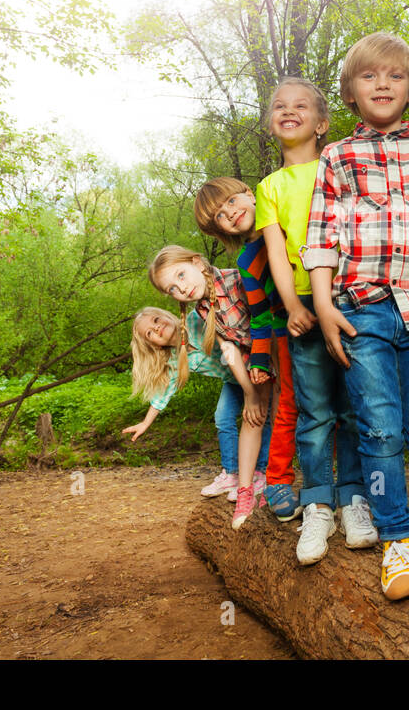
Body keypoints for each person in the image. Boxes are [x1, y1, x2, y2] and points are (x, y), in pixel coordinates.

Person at [302, 32, 409, 601]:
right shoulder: (337, 157)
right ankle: (397, 540)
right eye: (369, 76)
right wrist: (323, 306)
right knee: (378, 429)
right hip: (362, 314)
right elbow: (321, 238)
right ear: (351, 94)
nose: (383, 84)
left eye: (395, 76)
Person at [257, 77, 377, 564]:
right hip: (305, 306)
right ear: (272, 123)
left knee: (354, 410)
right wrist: (294, 308)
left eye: (301, 105)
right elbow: (277, 255)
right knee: (314, 413)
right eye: (280, 107)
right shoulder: (269, 187)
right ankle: (318, 504)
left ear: (321, 123)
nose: (289, 111)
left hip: (352, 298)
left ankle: (353, 500)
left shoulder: (340, 165)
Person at [193, 176, 301, 522]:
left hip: (325, 315)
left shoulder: (289, 222)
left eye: (230, 202)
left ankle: (343, 492)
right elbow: (259, 316)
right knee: (283, 409)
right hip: (283, 334)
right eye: (220, 216)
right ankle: (259, 486)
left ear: (249, 193)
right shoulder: (246, 262)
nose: (230, 213)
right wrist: (258, 359)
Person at [150, 245, 271, 529]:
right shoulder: (204, 310)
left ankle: (277, 484)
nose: (181, 288)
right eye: (172, 289)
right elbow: (229, 351)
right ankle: (245, 492)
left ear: (196, 262)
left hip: (276, 351)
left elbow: (267, 322)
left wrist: (263, 370)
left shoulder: (237, 279)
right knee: (252, 417)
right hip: (250, 364)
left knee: (286, 418)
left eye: (181, 275)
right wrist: (251, 394)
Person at [122, 306, 269, 507]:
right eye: (149, 333)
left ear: (166, 314)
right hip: (234, 382)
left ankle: (261, 472)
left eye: (156, 320)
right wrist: (145, 423)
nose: (157, 329)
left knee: (260, 416)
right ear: (153, 345)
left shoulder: (196, 319)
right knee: (222, 417)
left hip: (253, 369)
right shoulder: (174, 359)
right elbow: (163, 393)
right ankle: (232, 474)